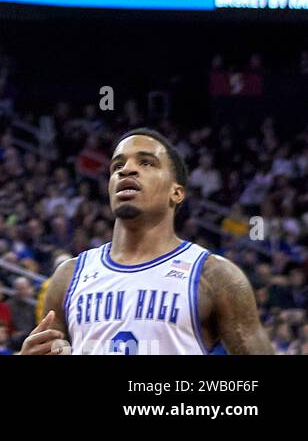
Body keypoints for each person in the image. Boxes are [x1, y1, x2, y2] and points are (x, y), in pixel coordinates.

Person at [21, 129, 273, 355]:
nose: (126, 169)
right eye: (117, 166)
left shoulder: (215, 276)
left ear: (176, 192)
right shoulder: (69, 275)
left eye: (146, 162)